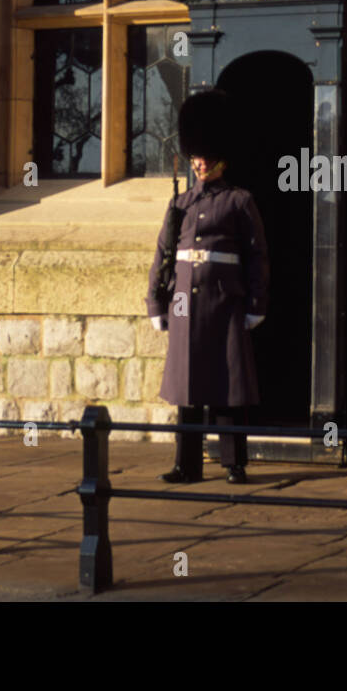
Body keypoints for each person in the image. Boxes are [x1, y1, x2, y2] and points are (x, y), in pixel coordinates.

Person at [146, 90, 269, 484]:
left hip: (224, 301)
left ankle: (234, 463)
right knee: (187, 388)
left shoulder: (238, 202)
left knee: (227, 388)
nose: (199, 163)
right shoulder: (179, 204)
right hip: (183, 303)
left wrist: (255, 303)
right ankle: (187, 465)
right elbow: (163, 255)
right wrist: (155, 303)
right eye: (196, 157)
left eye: (205, 157)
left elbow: (256, 257)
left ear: (221, 158)